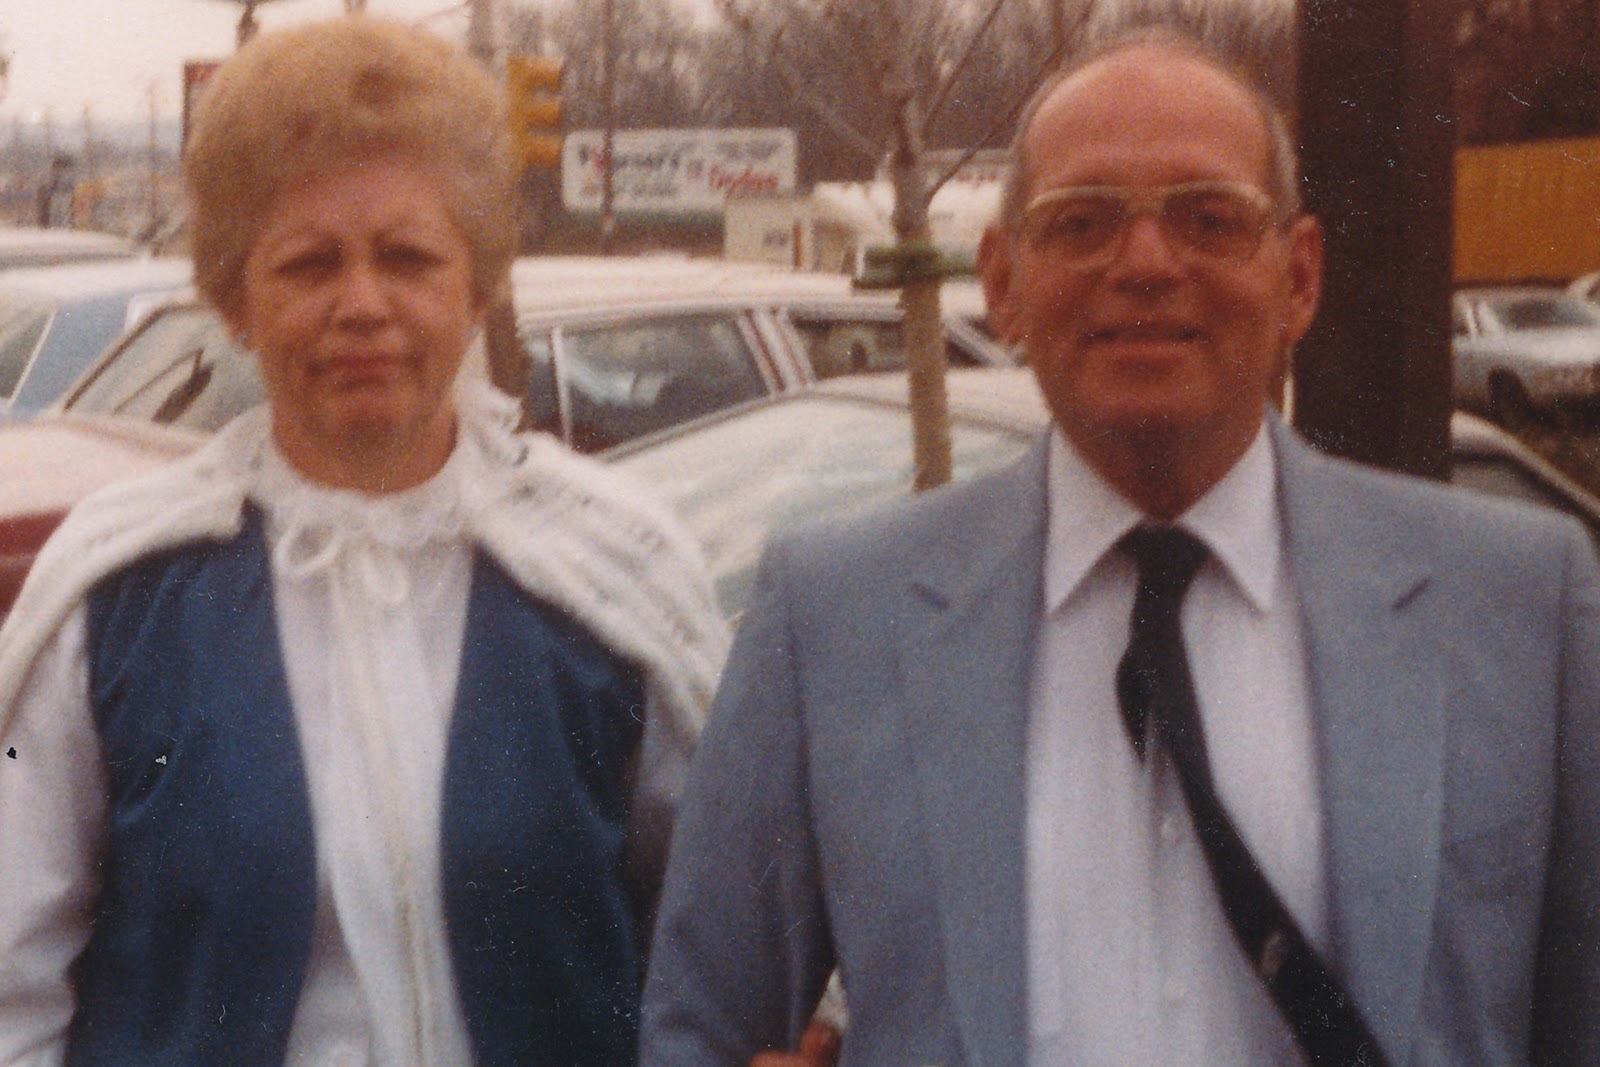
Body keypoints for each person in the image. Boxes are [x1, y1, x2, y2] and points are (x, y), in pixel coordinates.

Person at [638, 23, 1600, 1067]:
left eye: (1209, 216)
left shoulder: (1520, 600)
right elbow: (701, 1026)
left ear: (1300, 277)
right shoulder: (832, 617)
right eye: (1081, 220)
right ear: (1002, 283)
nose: (1144, 263)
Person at [0, 16, 727, 1065]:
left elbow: (716, 949)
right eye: (306, 264)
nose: (361, 305)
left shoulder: (614, 567)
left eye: (407, 256)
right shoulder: (115, 591)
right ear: (234, 298)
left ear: (473, 287)